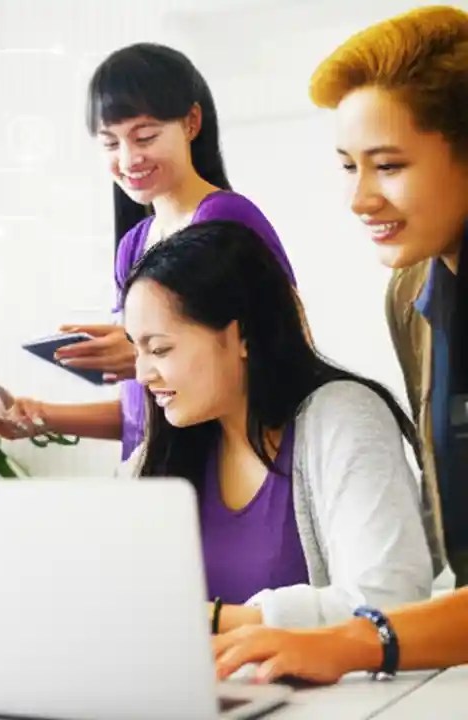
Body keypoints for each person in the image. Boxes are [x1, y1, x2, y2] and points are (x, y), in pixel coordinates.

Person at [214, 5, 468, 683]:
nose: (360, 199)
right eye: (348, 166)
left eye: (388, 165)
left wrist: (354, 641)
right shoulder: (412, 296)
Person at [0, 42, 296, 461]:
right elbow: (141, 416)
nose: (128, 159)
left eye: (145, 136)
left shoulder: (225, 218)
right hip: (154, 470)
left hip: (222, 466)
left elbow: (285, 348)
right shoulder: (132, 245)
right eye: (110, 143)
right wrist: (40, 415)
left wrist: (142, 353)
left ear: (192, 122)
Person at [121, 221, 433, 631]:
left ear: (242, 334)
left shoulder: (341, 417)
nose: (142, 374)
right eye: (136, 349)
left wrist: (214, 620)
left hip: (317, 678)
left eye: (160, 349)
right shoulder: (160, 456)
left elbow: (390, 602)